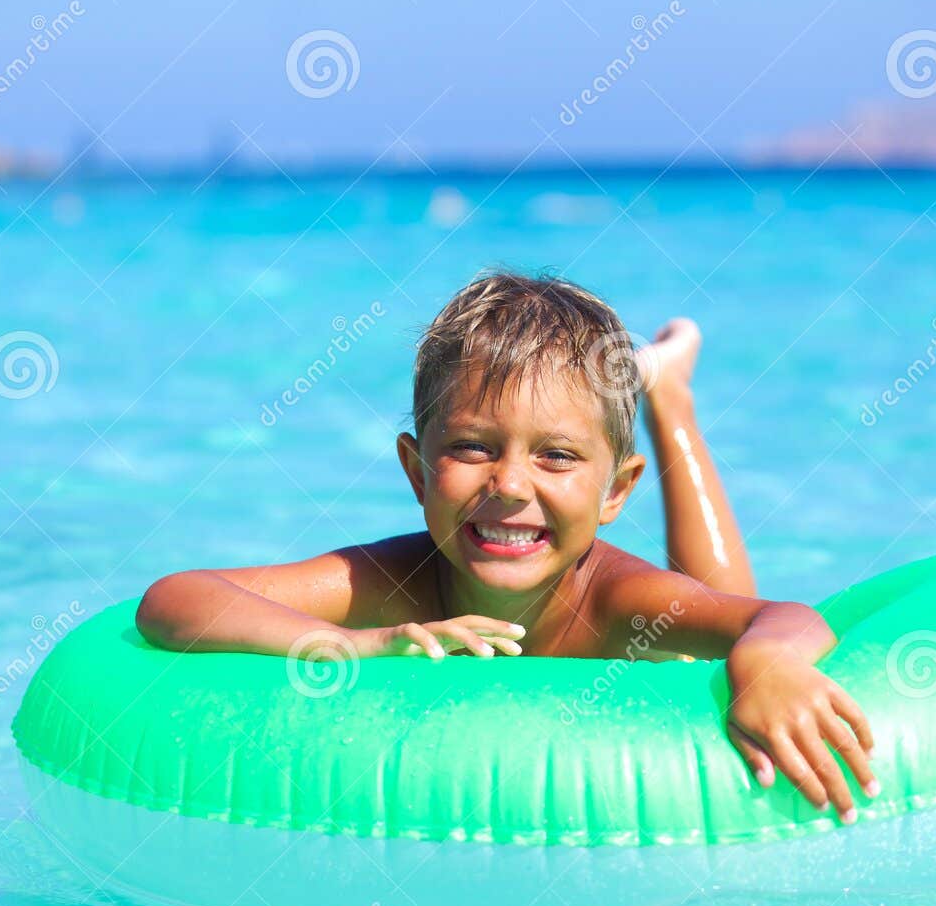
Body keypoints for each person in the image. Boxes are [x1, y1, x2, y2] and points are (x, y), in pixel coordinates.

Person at [138, 272, 877, 823]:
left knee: (707, 613)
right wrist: (349, 644)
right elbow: (174, 600)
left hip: (649, 638)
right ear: (415, 470)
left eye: (555, 455)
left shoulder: (617, 599)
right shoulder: (391, 584)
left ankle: (668, 394)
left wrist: (765, 665)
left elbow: (780, 615)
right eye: (470, 446)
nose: (510, 484)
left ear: (616, 493)